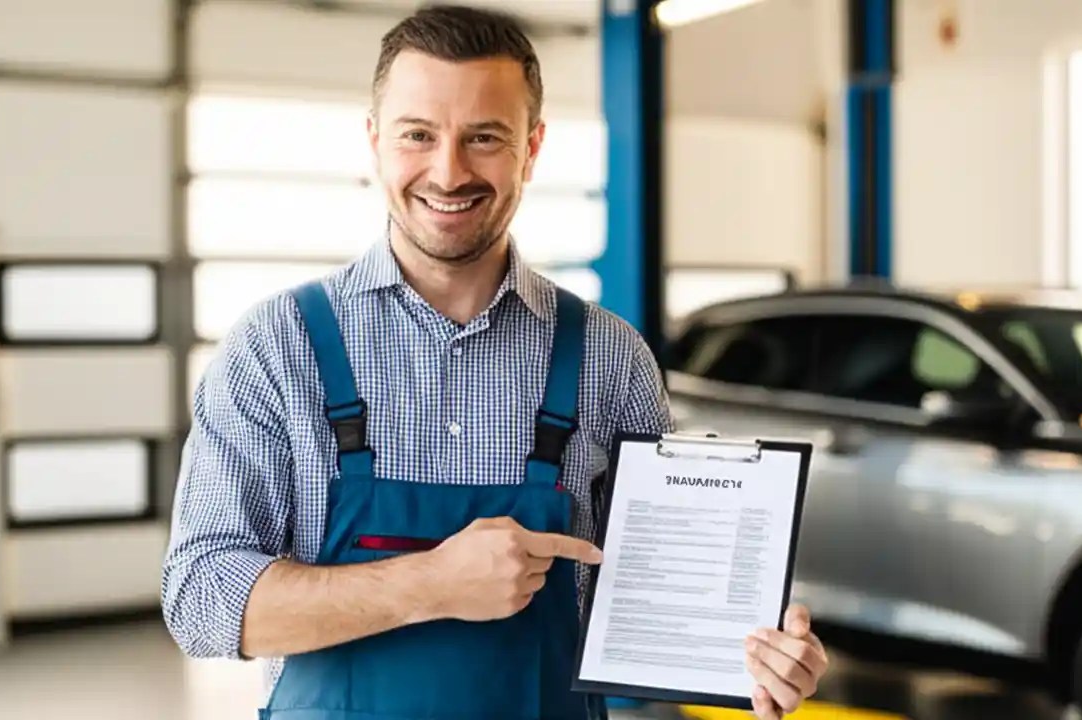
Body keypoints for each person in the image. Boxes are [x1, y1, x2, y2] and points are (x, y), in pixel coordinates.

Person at [161, 5, 828, 719]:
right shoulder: (276, 347)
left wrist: (753, 654)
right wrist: (431, 585)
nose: (449, 172)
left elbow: (647, 604)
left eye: (484, 138)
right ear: (374, 141)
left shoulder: (609, 357)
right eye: (419, 135)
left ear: (531, 149)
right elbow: (202, 601)